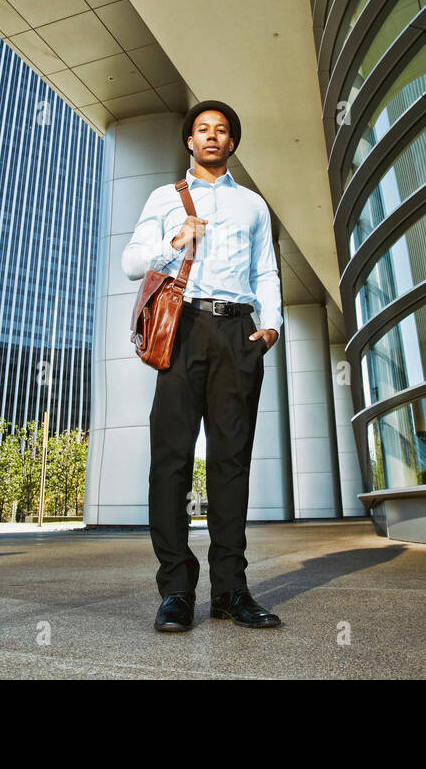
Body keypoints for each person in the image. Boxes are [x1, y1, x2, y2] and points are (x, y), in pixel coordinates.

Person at [121, 99, 284, 632]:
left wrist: (271, 328)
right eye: (202, 130)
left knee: (230, 461)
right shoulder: (165, 197)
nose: (212, 137)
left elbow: (267, 271)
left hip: (238, 333)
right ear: (189, 141)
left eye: (222, 131)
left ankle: (231, 590)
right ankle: (175, 590)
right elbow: (130, 263)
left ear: (231, 143)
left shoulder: (254, 206)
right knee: (170, 458)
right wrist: (176, 241)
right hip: (184, 328)